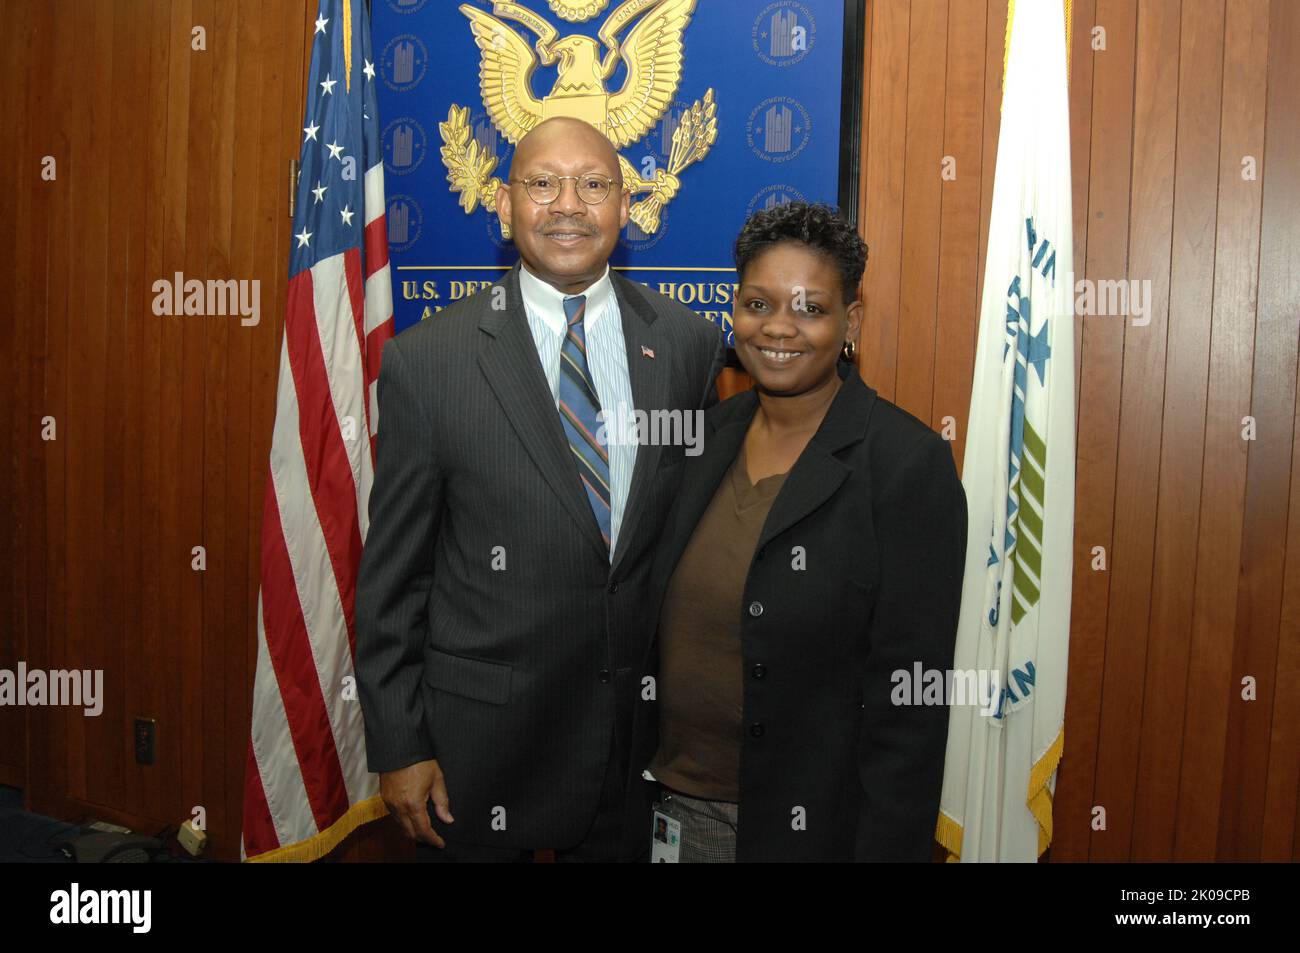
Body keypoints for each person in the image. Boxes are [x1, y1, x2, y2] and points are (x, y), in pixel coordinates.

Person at [355, 116, 725, 862]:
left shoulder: (688, 345)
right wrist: (400, 745)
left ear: (627, 206)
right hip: (478, 754)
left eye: (593, 185)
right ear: (503, 204)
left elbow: (683, 536)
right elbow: (393, 579)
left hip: (634, 752)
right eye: (542, 184)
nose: (568, 205)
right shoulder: (429, 363)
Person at [623, 202, 967, 862]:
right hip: (671, 812)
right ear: (734, 309)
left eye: (809, 307)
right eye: (758, 302)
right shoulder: (704, 437)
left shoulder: (903, 464)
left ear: (850, 321)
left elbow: (910, 708)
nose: (778, 326)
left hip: (811, 832)